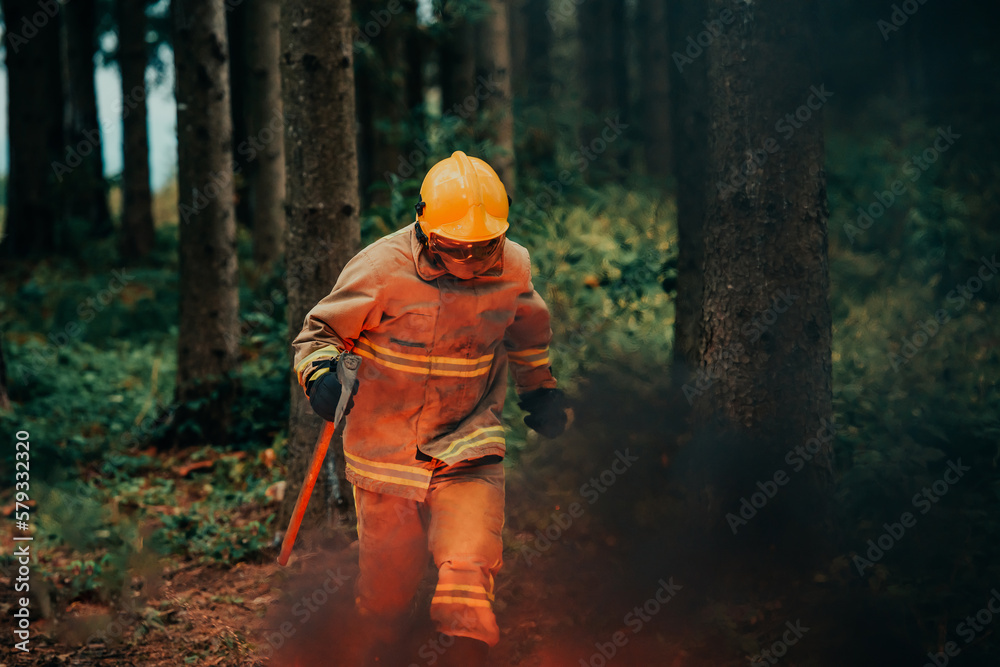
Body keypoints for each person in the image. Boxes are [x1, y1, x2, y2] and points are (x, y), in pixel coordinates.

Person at [291, 151, 570, 666]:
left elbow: (529, 336)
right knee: (386, 594)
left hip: (469, 443)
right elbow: (319, 333)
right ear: (425, 227)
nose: (468, 263)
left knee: (467, 566)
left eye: (483, 249)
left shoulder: (514, 268)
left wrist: (541, 391)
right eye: (453, 249)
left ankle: (465, 656)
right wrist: (320, 377)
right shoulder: (379, 268)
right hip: (385, 454)